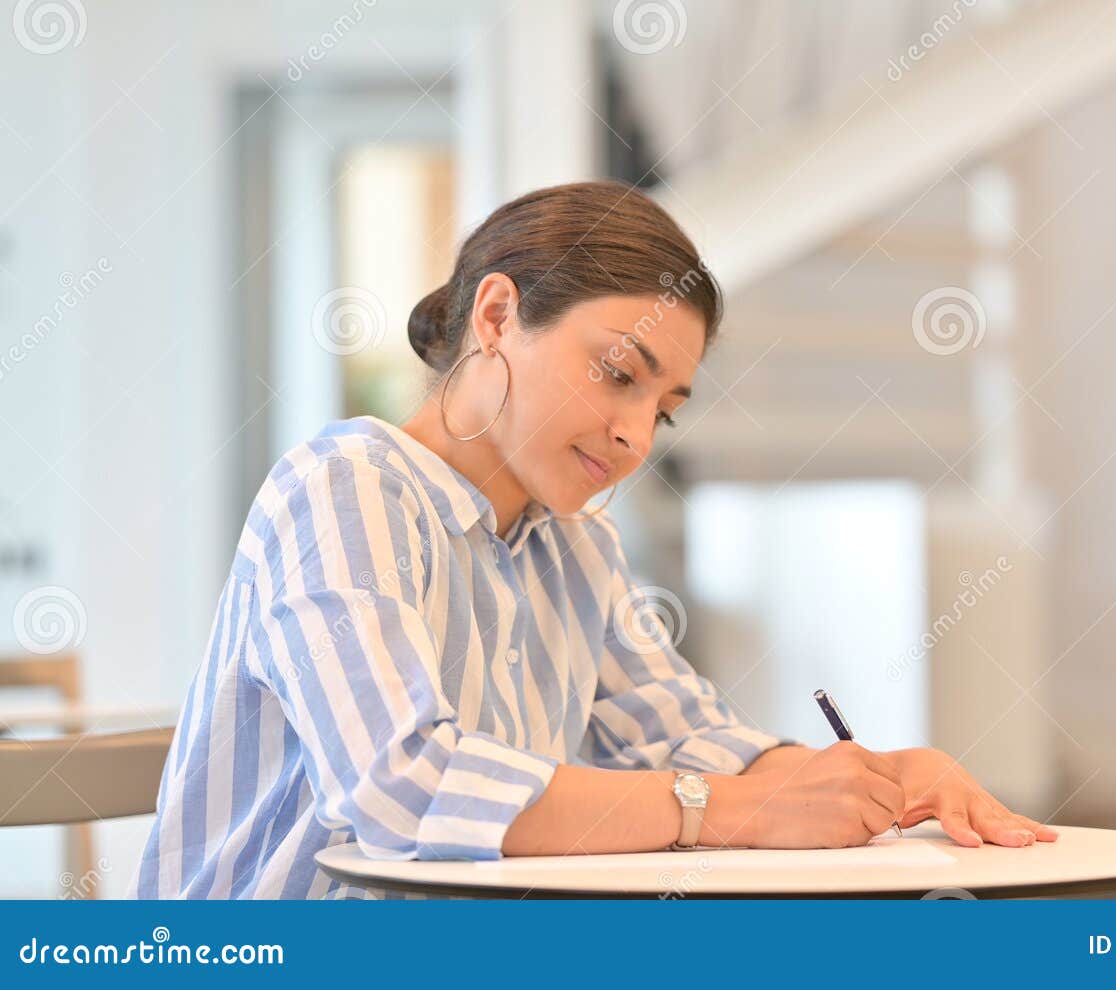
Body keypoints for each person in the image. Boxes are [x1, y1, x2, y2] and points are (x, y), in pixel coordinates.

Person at [133, 180, 1056, 899]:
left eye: (665, 409)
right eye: (618, 373)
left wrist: (888, 776)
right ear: (495, 316)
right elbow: (401, 788)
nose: (636, 436)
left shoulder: (574, 546)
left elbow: (686, 735)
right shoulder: (343, 490)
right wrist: (735, 813)